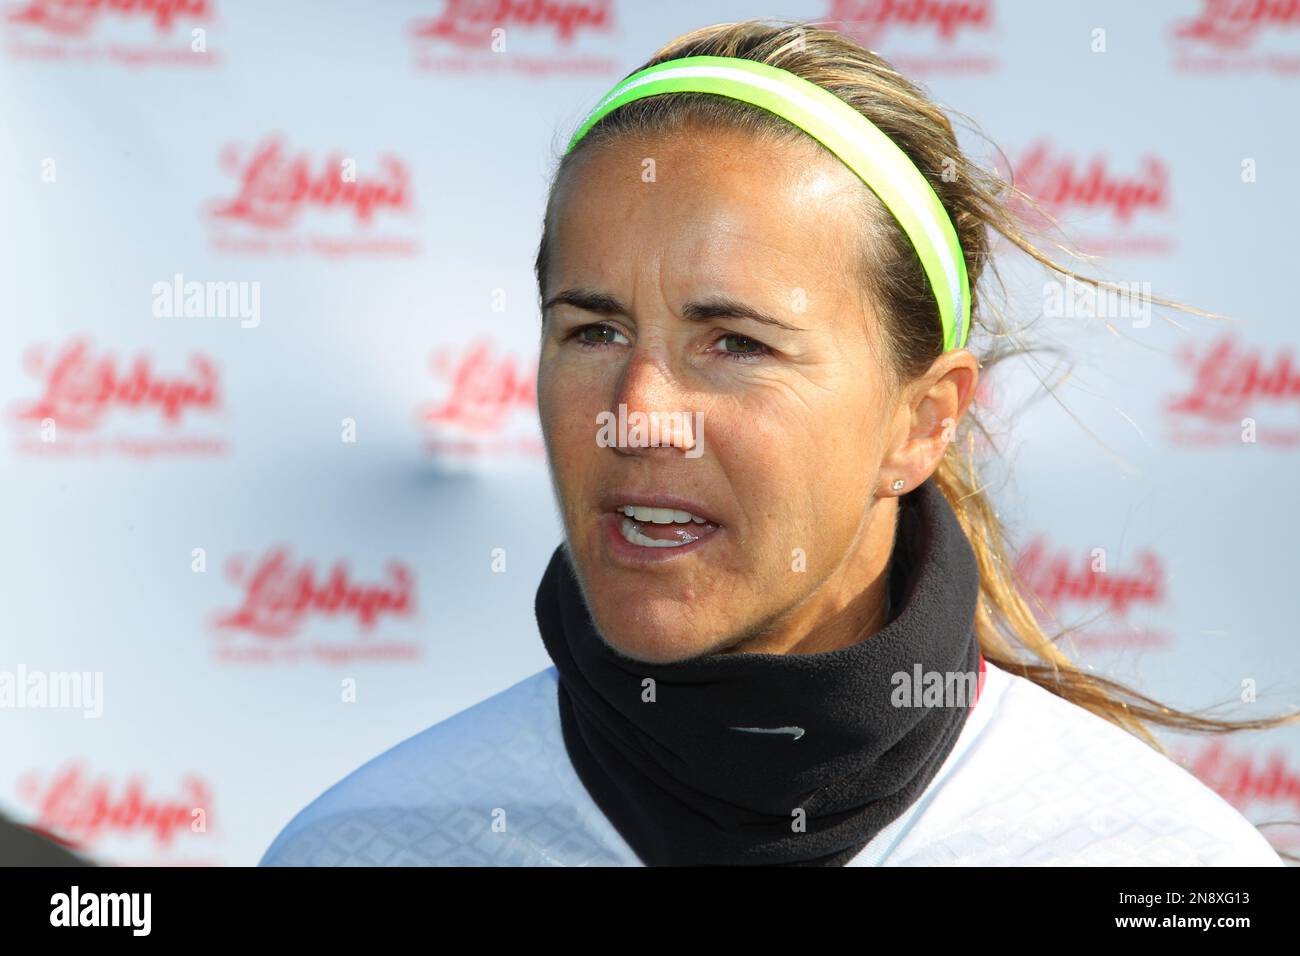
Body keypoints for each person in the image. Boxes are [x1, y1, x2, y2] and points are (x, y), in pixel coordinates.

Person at [259, 19, 1295, 867]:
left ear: (922, 421)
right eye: (594, 331)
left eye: (735, 344)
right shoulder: (369, 845)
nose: (636, 412)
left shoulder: (1147, 860)